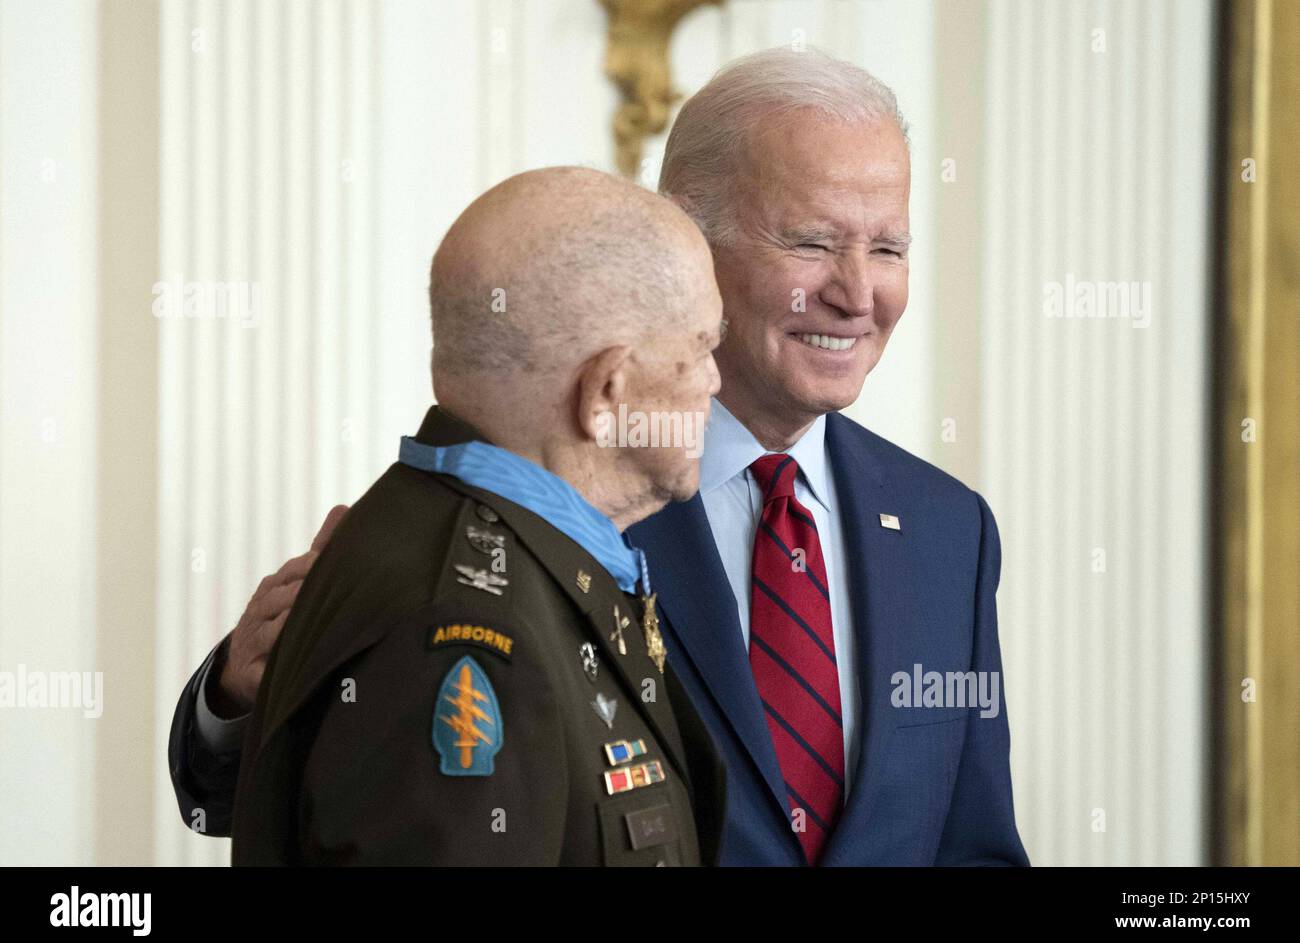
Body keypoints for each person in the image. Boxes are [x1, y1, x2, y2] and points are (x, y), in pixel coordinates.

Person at [171, 46, 1028, 867]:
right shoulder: (541, 491)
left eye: (888, 248)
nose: (856, 293)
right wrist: (239, 700)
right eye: (810, 241)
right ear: (687, 235)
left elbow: (976, 845)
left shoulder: (949, 530)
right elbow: (309, 782)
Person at [220, 166, 726, 864]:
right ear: (607, 391)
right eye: (700, 349)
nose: (714, 382)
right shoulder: (466, 630)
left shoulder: (482, 547)